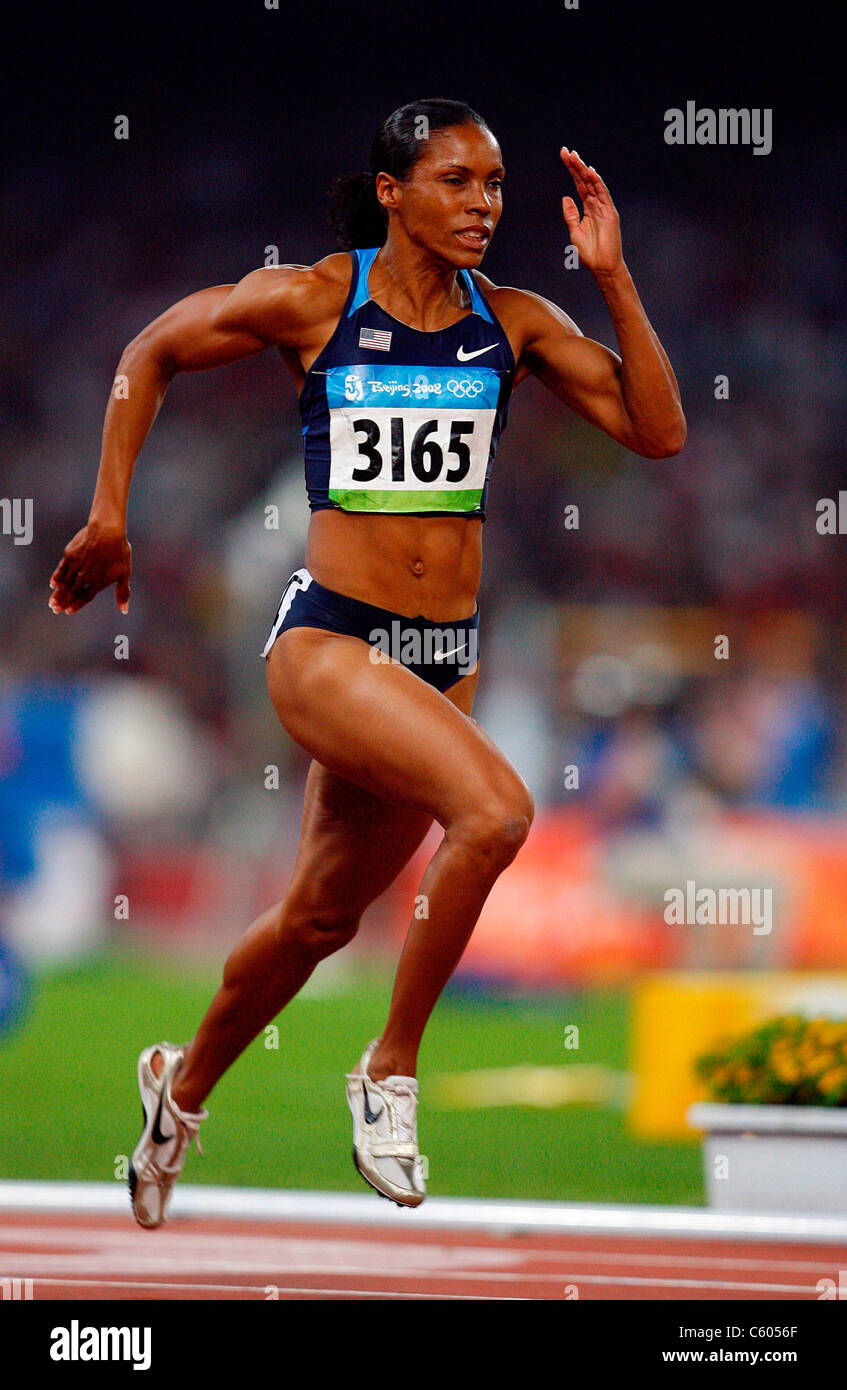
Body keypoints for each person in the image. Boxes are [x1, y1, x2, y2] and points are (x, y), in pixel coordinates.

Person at [49, 98, 685, 1224]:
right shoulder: (311, 298)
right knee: (494, 813)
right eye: (454, 181)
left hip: (441, 660)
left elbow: (658, 429)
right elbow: (148, 353)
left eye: (492, 184)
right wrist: (110, 514)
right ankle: (389, 1070)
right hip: (330, 640)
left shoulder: (520, 324)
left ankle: (176, 1090)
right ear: (391, 192)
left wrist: (615, 279)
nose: (482, 203)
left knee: (317, 920)